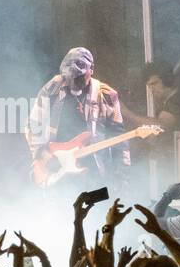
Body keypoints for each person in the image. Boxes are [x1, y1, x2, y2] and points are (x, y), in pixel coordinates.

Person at [27, 46, 129, 191]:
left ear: (91, 69)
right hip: (59, 171)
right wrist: (39, 160)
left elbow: (119, 139)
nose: (73, 80)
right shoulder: (52, 89)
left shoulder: (106, 95)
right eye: (69, 76)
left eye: (79, 76)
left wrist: (121, 178)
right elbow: (33, 126)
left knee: (95, 211)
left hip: (95, 172)